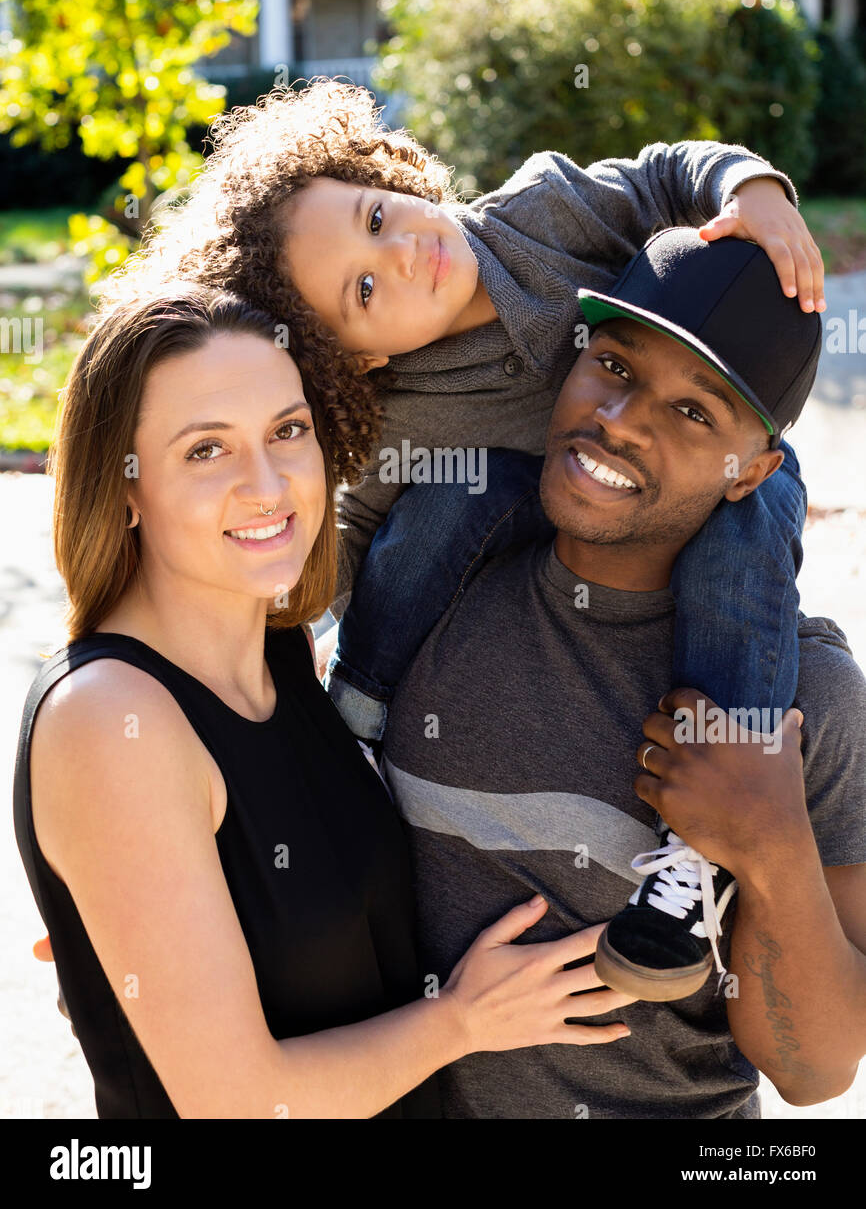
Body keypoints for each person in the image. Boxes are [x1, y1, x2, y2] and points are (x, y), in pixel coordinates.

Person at [114, 78, 823, 984]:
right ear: (353, 356)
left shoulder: (541, 212)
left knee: (748, 526)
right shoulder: (396, 415)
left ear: (388, 176)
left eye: (376, 217)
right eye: (364, 289)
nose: (404, 255)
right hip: (547, 492)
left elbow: (665, 172)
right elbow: (332, 546)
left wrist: (751, 192)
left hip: (690, 462)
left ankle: (700, 849)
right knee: (451, 494)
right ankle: (359, 719)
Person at [13, 281, 640, 1120]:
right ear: (124, 485)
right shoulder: (110, 720)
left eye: (288, 430)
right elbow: (235, 1104)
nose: (268, 484)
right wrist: (460, 1022)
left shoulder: (286, 660)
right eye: (206, 450)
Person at [378, 227, 866, 1119]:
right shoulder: (435, 585)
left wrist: (770, 844)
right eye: (615, 366)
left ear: (751, 472)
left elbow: (817, 1071)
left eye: (694, 414)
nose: (622, 419)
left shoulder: (806, 700)